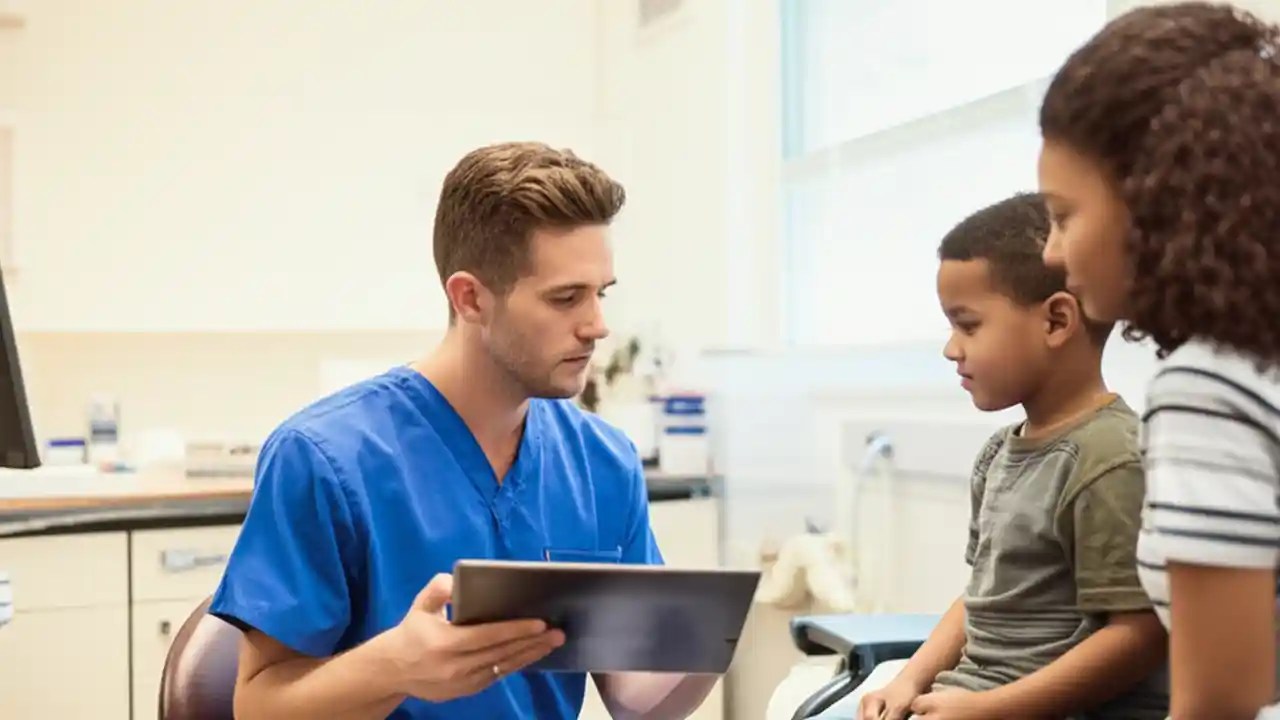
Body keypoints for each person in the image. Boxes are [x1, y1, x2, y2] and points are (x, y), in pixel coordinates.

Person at [208, 141, 719, 719]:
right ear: (470, 298)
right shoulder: (325, 460)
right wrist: (395, 667)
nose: (597, 326)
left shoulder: (603, 462)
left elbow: (632, 698)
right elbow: (258, 706)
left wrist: (712, 638)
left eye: (600, 294)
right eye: (565, 298)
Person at [1038, 3, 1280, 718]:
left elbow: (1219, 706)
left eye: (1064, 215)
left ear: (1158, 201)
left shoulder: (1210, 387)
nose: (1051, 252)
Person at [845, 193, 1170, 720]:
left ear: (1055, 322)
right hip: (976, 696)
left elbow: (1139, 637)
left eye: (968, 325)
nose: (951, 348)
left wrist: (990, 709)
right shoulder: (1000, 453)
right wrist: (909, 679)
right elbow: (980, 599)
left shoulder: (1108, 457)